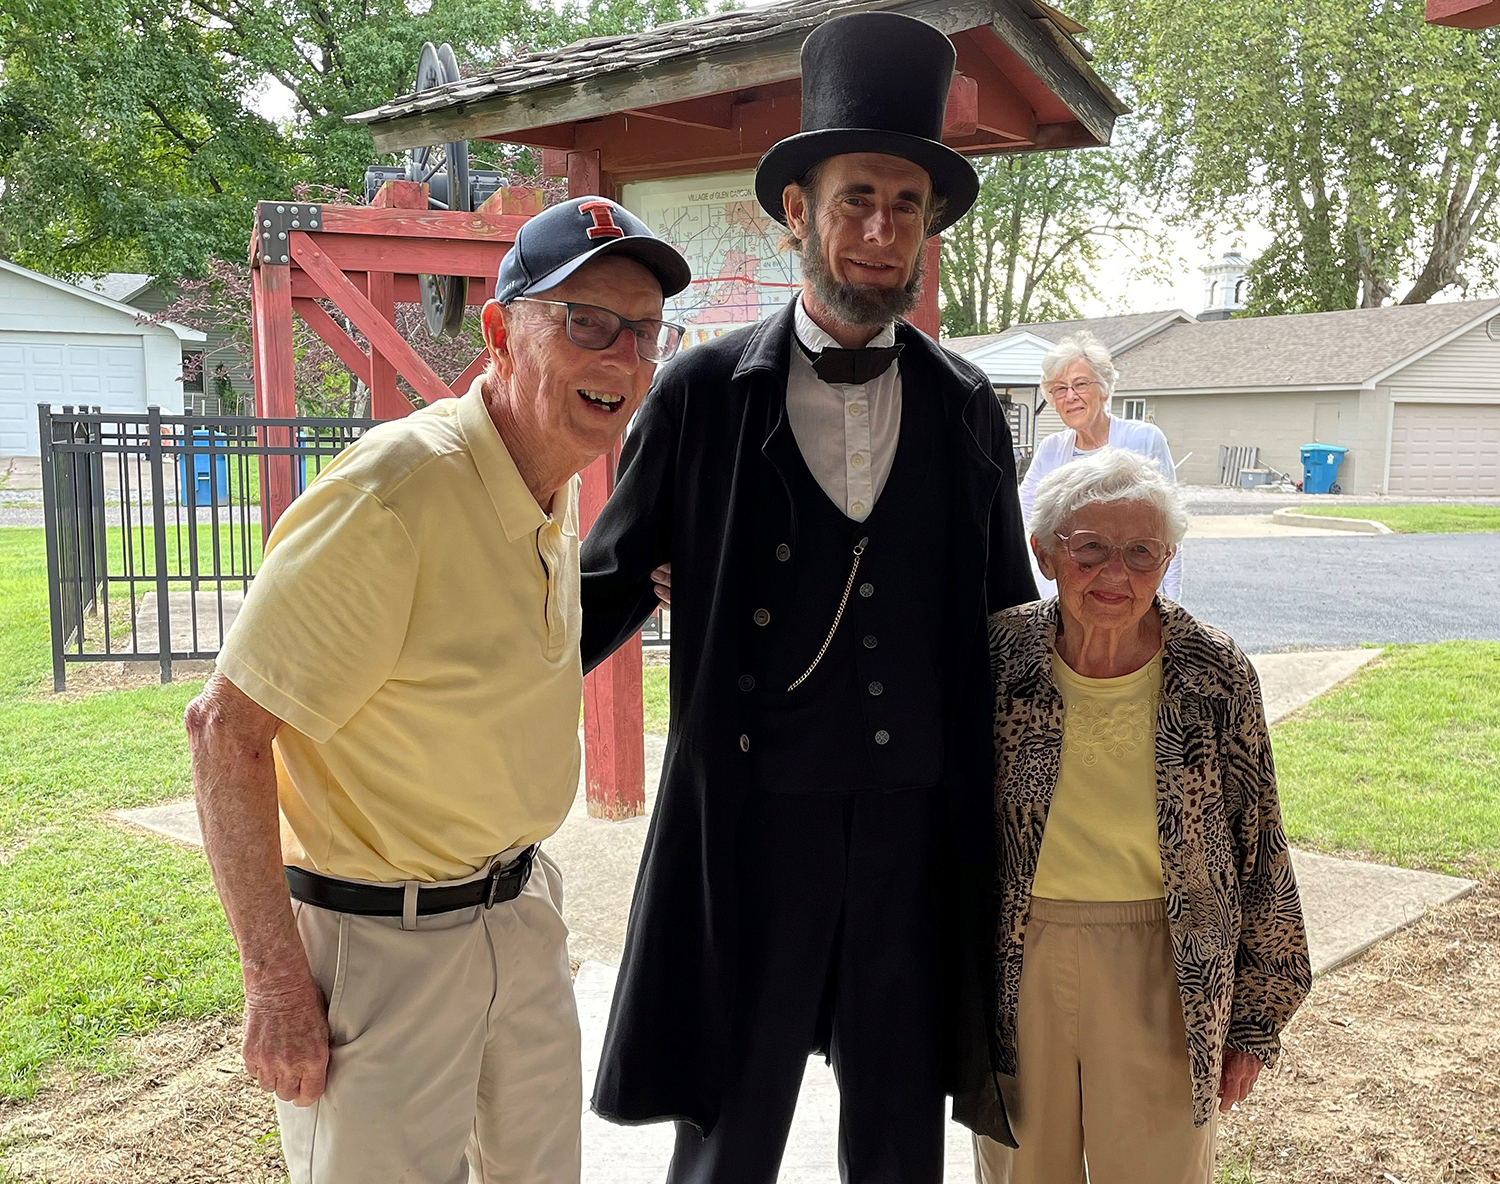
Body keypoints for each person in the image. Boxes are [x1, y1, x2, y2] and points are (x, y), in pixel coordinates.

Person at [579, 12, 1036, 1184]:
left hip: (915, 831)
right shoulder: (694, 395)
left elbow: (1008, 630)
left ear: (927, 225)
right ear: (797, 211)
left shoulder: (968, 407)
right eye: (855, 199)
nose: (881, 231)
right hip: (750, 820)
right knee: (728, 1129)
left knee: (898, 1133)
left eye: (905, 205)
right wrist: (458, 672)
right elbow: (605, 584)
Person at [184, 197, 689, 1184]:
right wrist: (276, 981)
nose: (622, 358)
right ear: (500, 332)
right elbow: (223, 731)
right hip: (382, 946)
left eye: (643, 333)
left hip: (518, 914)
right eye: (584, 321)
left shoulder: (550, 482)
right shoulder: (396, 494)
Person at [970, 448, 1312, 1183]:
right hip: (1017, 957)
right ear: (1046, 553)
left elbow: (1261, 846)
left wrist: (1256, 1017)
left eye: (1141, 552)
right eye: (1090, 548)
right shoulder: (997, 658)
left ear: (1168, 560)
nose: (1115, 574)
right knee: (1021, 1171)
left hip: (1169, 960)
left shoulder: (1214, 669)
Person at [1019, 331, 1183, 599]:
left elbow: (1169, 529)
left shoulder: (1143, 439)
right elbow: (1023, 518)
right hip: (1066, 594)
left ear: (1104, 390)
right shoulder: (1050, 449)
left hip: (1129, 588)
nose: (1070, 396)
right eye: (1060, 388)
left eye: (1081, 384)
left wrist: (1172, 603)